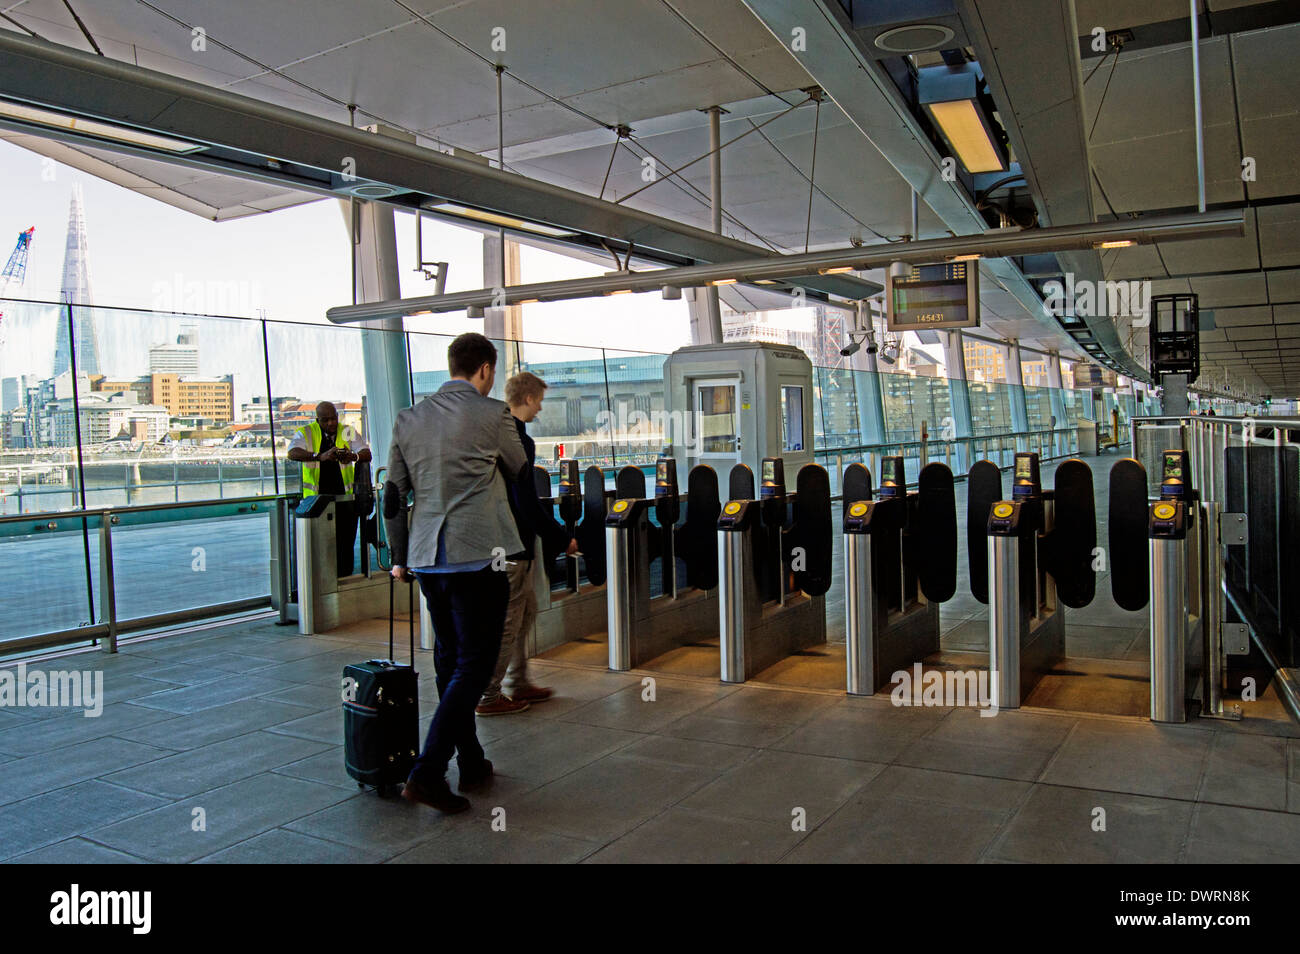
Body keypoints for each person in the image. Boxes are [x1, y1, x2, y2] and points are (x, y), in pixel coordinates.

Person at [385, 333, 527, 815]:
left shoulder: (408, 418)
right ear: (485, 370)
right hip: (478, 556)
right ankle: (427, 772)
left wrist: (400, 556)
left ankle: (470, 758)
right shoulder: (493, 415)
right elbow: (519, 464)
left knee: (450, 661)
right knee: (475, 665)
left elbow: (392, 496)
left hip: (427, 560)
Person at [477, 372, 578, 716]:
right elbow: (525, 500)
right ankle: (488, 695)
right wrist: (561, 538)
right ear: (530, 398)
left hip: (496, 542)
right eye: (540, 401)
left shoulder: (488, 433)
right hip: (511, 544)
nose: (540, 409)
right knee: (508, 618)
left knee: (526, 611)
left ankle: (517, 681)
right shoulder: (517, 440)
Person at [287, 401, 371, 576]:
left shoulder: (346, 430)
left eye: (334, 418)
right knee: (321, 548)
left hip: (345, 501)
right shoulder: (307, 433)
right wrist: (320, 456)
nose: (331, 423)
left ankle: (344, 581)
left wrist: (352, 456)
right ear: (318, 420)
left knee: (345, 545)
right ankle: (323, 585)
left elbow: (366, 453)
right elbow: (292, 453)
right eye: (326, 420)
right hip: (317, 503)